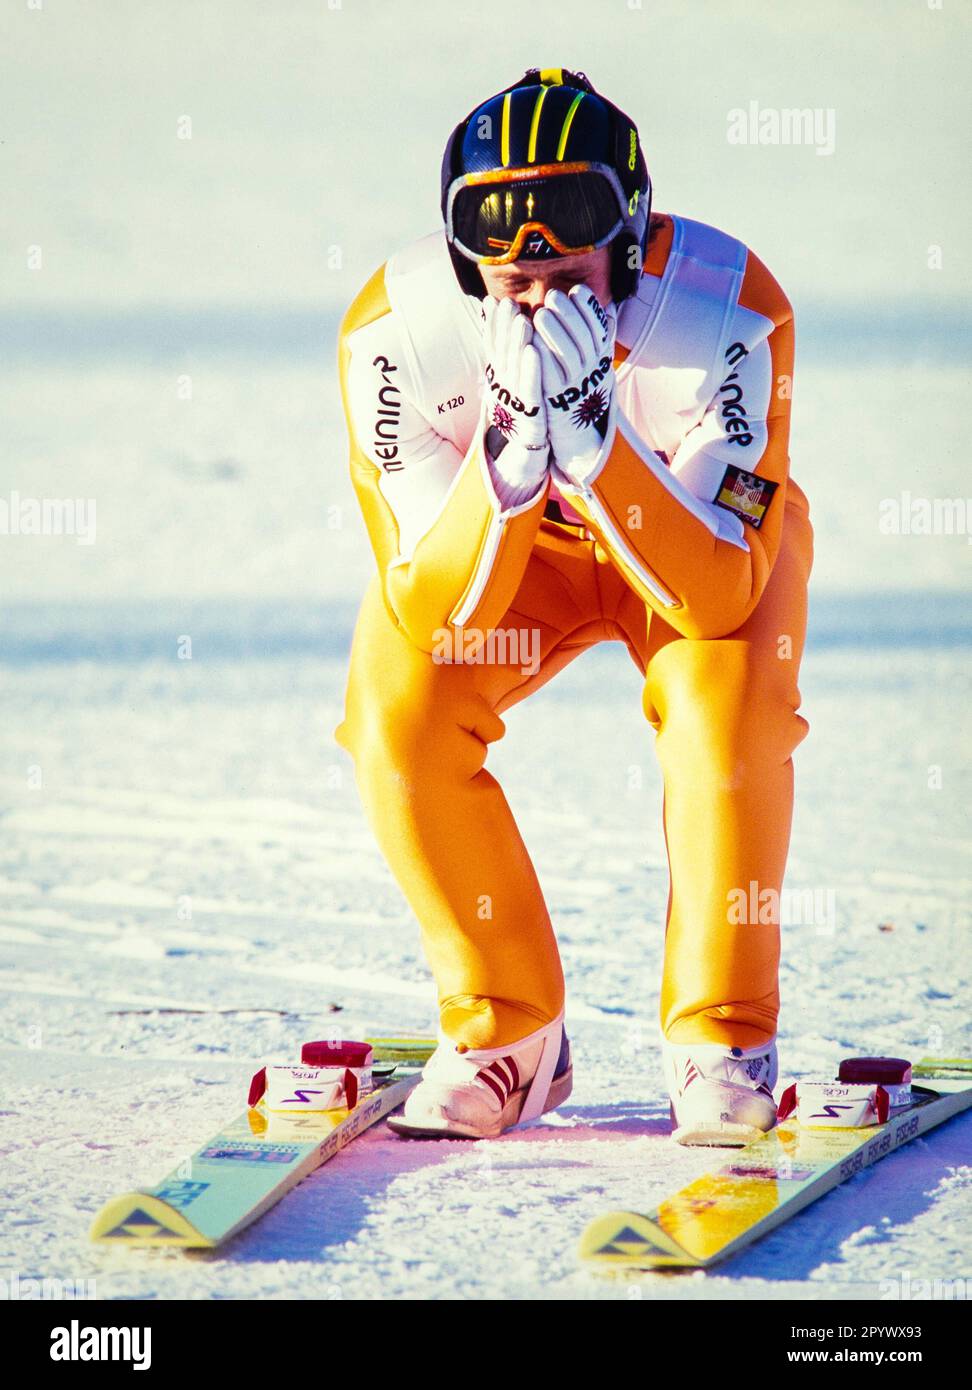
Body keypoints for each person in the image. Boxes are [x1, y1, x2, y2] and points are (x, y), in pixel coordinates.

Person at [335, 67, 814, 1145]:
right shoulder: (394, 334)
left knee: (725, 712)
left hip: (692, 547)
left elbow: (721, 591)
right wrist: (510, 468)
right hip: (509, 559)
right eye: (495, 227)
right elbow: (434, 618)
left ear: (634, 224)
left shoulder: (729, 306)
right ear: (458, 244)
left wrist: (603, 458)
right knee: (395, 720)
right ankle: (506, 1029)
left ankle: (721, 1035)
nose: (537, 258)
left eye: (576, 215)